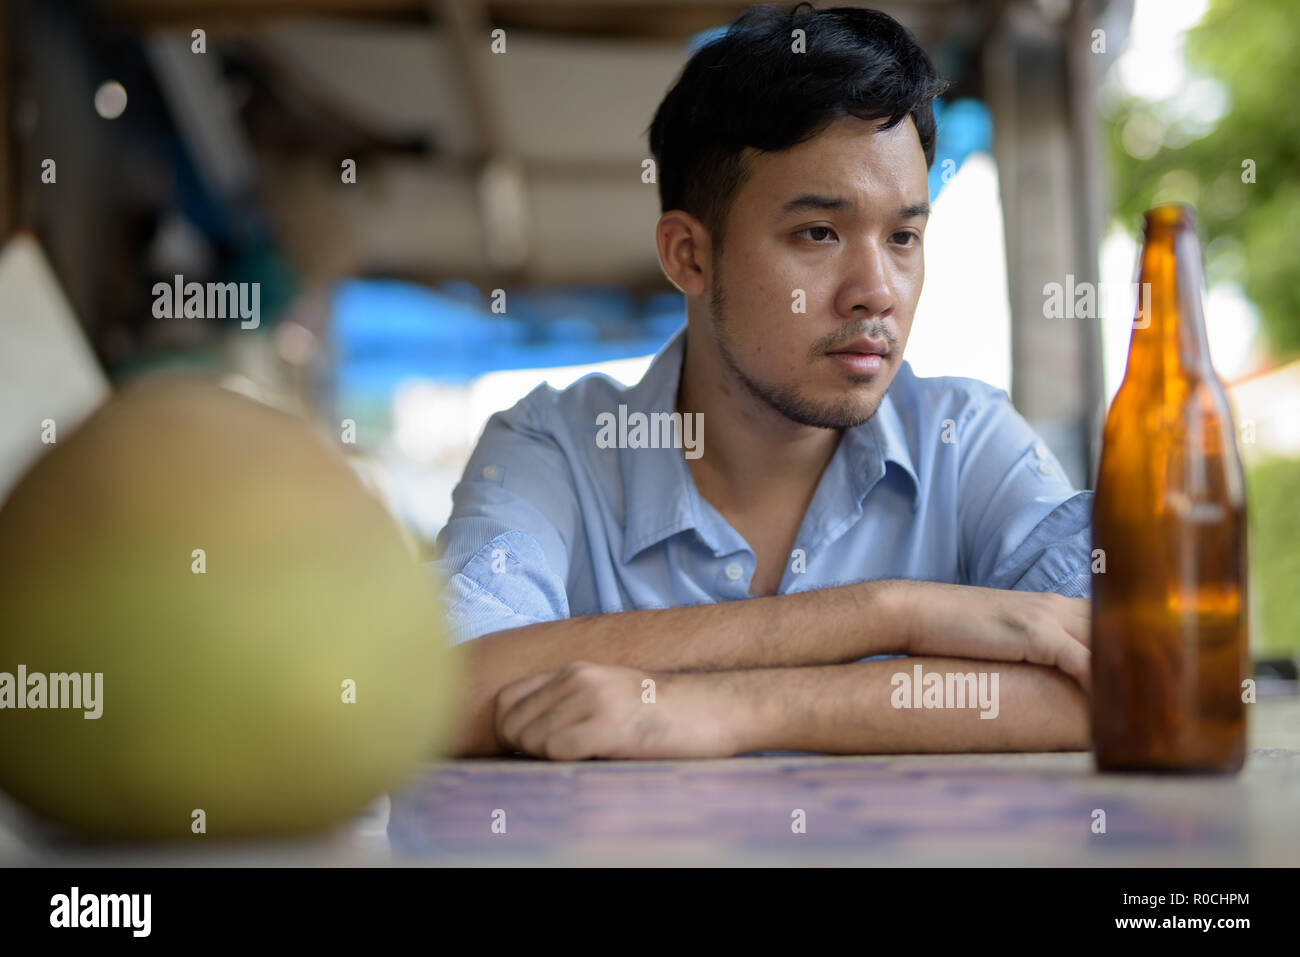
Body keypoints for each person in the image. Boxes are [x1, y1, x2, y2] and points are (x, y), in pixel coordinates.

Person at [433, 3, 1093, 759]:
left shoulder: (964, 438)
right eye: (819, 233)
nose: (876, 289)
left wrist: (736, 709)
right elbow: (441, 694)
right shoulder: (556, 448)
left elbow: (1129, 677)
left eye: (903, 236)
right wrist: (891, 614)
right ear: (688, 256)